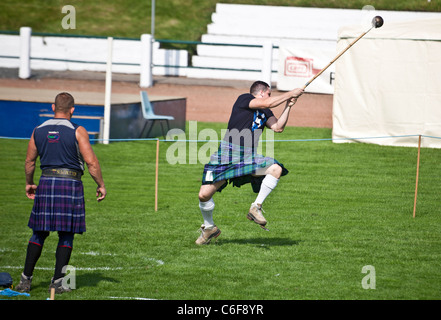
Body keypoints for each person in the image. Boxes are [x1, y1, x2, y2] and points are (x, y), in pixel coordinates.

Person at [15, 92, 106, 294]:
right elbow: (91, 162)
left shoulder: (38, 130)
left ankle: (25, 281)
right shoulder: (78, 130)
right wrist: (100, 184)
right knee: (66, 234)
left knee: (39, 232)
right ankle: (57, 282)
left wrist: (29, 183)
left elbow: (29, 162)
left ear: (53, 107)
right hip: (70, 184)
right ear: (72, 110)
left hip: (46, 182)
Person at [196, 81, 304, 245]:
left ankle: (256, 207)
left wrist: (289, 106)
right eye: (269, 93)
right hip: (227, 153)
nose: (270, 96)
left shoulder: (266, 111)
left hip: (248, 156)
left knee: (275, 169)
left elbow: (278, 127)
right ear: (262, 92)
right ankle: (209, 228)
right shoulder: (244, 99)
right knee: (203, 195)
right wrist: (291, 92)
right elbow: (268, 102)